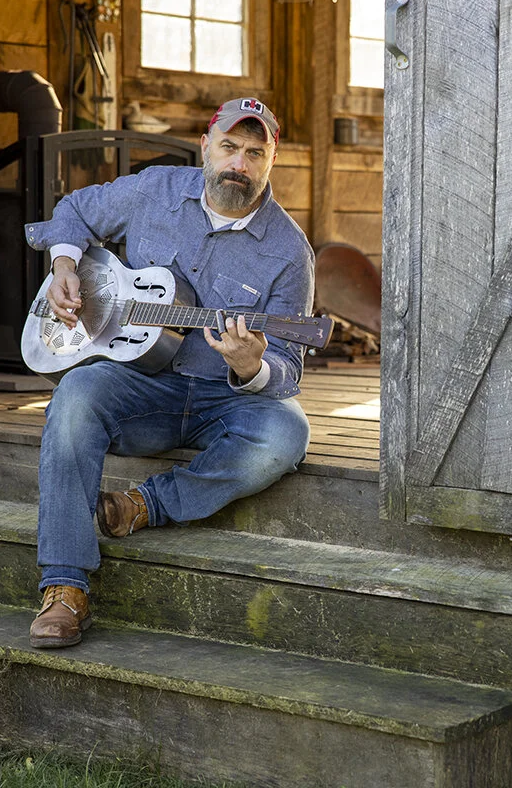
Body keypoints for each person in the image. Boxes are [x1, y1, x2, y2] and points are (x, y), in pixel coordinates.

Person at [22, 98, 313, 648]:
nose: (239, 164)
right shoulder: (155, 189)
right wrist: (65, 265)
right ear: (207, 146)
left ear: (272, 160)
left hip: (223, 402)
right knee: (76, 394)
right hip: (142, 386)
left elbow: (288, 369)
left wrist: (251, 365)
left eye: (255, 153)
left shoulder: (290, 253)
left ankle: (146, 504)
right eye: (229, 147)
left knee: (287, 433)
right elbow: (74, 211)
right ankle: (64, 586)